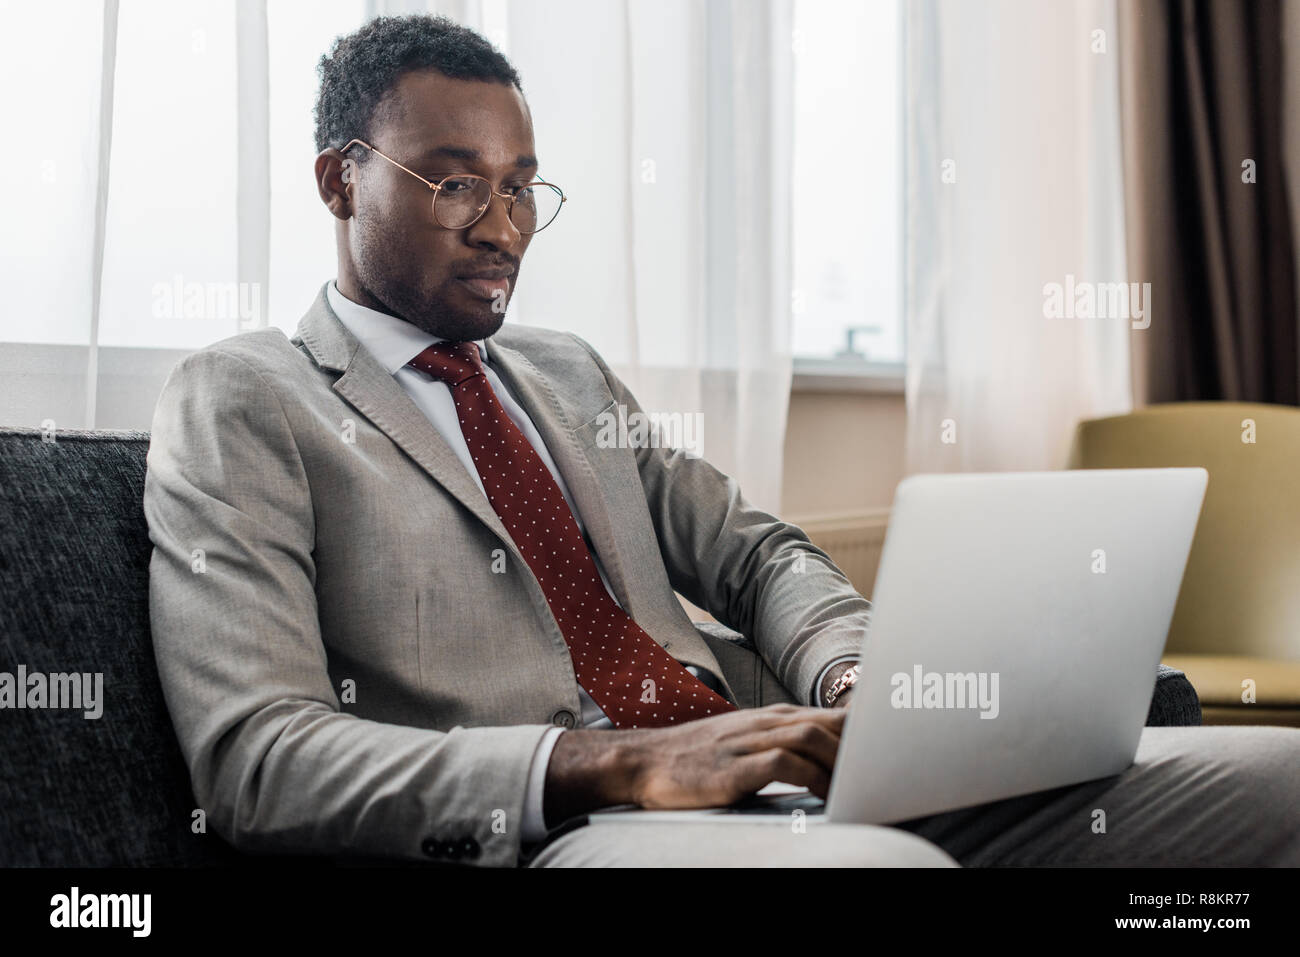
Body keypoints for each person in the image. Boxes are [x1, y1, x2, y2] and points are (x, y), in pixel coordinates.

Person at [143, 14, 1299, 868]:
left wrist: (853, 677)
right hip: (563, 825)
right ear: (340, 182)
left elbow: (757, 555)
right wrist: (617, 763)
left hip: (764, 780)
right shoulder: (245, 402)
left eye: (522, 189)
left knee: (1274, 782)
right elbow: (258, 758)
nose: (502, 231)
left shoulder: (565, 371)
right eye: (454, 186)